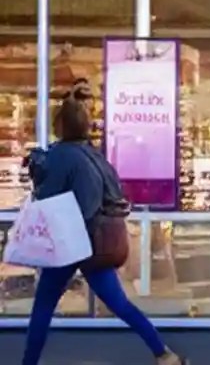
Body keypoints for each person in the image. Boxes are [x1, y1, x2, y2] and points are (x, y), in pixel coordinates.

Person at [23, 97, 187, 365]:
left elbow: (47, 200)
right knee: (120, 304)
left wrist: (39, 175)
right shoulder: (95, 156)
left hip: (73, 242)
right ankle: (164, 353)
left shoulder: (61, 155)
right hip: (99, 244)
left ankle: (28, 363)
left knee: (43, 306)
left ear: (59, 125)